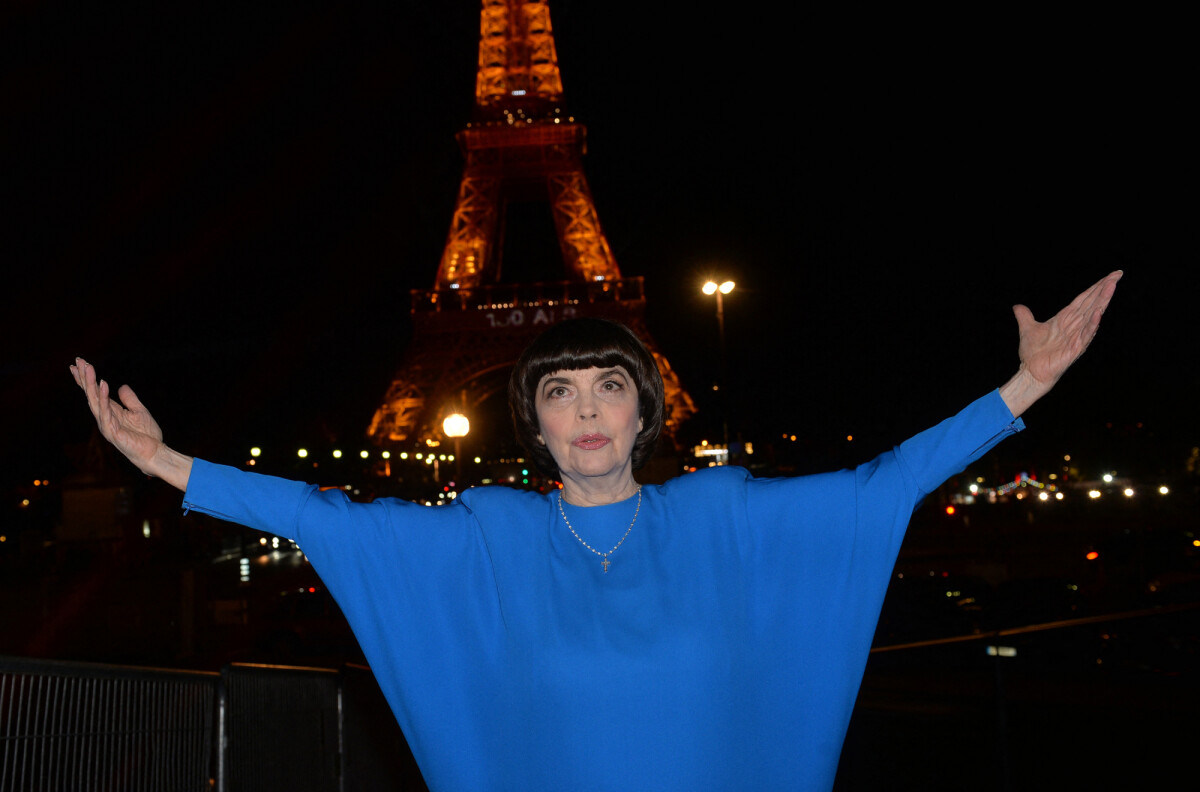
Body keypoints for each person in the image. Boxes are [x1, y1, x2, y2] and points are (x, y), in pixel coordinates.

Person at [71, 271, 1121, 792]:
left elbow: (882, 483)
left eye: (608, 387)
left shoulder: (727, 520)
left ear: (642, 412)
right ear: (534, 422)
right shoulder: (493, 536)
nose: (585, 410)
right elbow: (321, 517)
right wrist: (164, 462)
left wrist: (1023, 387)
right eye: (561, 392)